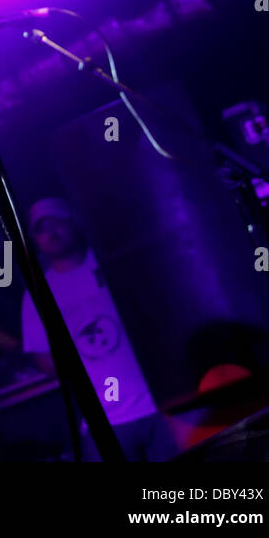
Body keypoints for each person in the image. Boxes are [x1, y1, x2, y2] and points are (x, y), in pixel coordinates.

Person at [19, 197, 177, 460]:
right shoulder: (39, 293)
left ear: (73, 222)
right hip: (104, 422)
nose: (51, 231)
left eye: (58, 221)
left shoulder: (113, 260)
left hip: (163, 404)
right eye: (41, 227)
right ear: (35, 239)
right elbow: (45, 361)